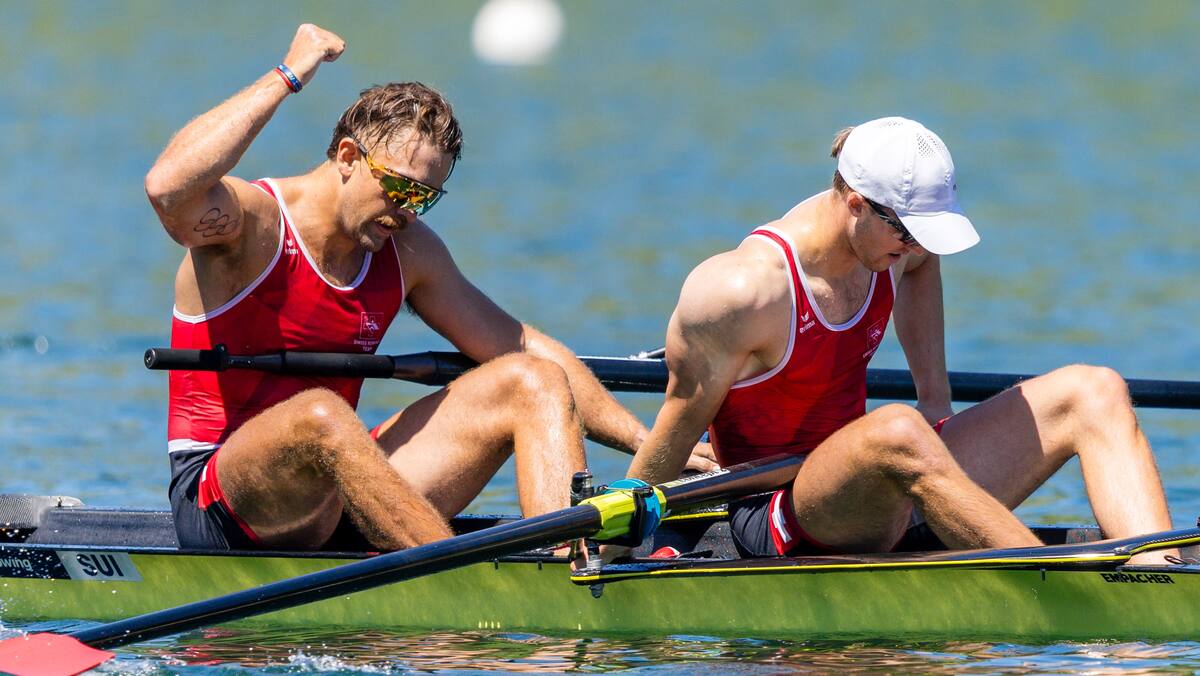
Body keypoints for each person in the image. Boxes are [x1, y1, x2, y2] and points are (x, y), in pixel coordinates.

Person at [147, 24, 713, 552]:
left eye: (424, 198)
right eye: (399, 189)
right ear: (348, 157)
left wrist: (652, 444)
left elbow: (524, 348)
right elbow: (168, 189)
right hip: (222, 497)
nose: (407, 213)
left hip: (335, 481)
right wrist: (291, 73)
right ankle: (464, 583)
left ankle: (565, 564)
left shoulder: (408, 252)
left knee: (531, 378)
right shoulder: (251, 223)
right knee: (320, 413)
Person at [625, 116, 1177, 564]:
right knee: (897, 428)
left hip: (888, 477)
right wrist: (607, 543)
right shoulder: (741, 293)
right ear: (855, 202)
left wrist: (935, 401)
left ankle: (1160, 579)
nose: (914, 247)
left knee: (1095, 389)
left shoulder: (888, 244)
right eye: (906, 231)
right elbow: (672, 434)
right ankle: (1058, 590)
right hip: (778, 510)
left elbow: (921, 267)